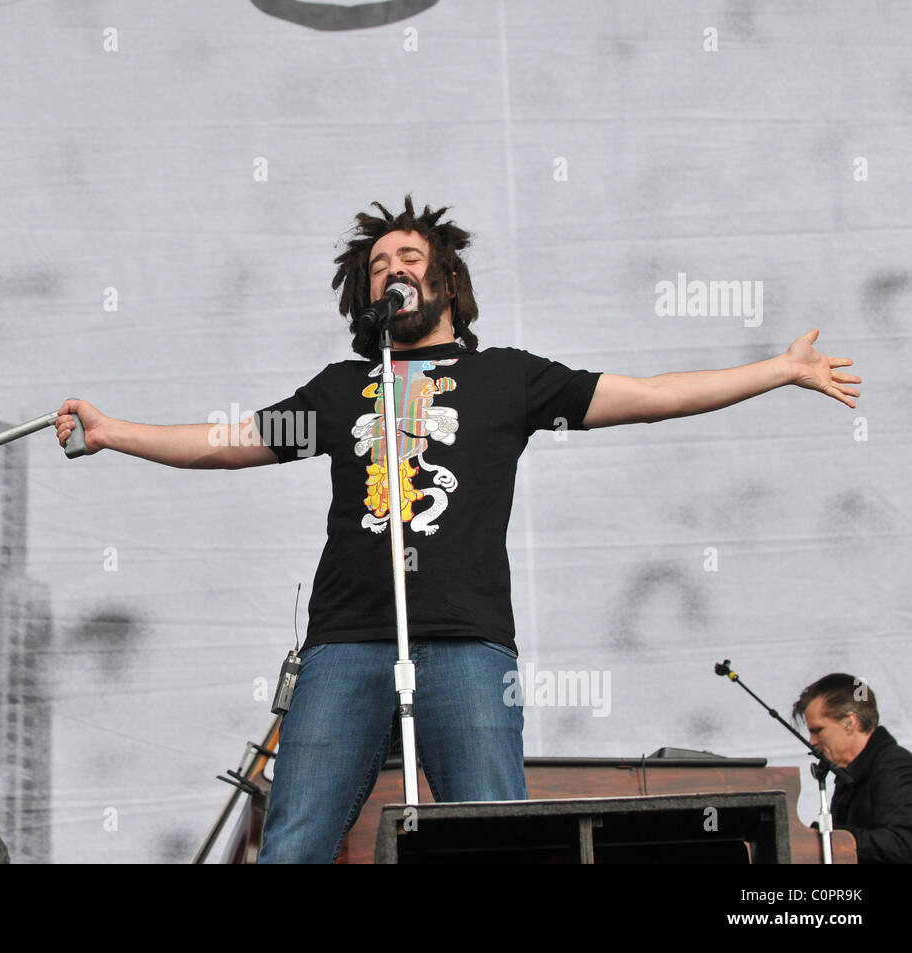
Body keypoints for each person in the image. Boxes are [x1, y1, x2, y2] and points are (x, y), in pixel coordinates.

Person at [53, 196, 863, 863]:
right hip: (345, 641)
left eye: (409, 259)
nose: (394, 271)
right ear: (364, 296)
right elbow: (223, 443)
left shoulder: (506, 377)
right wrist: (114, 428)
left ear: (444, 278)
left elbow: (650, 392)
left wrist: (778, 370)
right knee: (294, 840)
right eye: (379, 266)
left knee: (493, 841)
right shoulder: (342, 390)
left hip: (467, 644)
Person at [793, 673, 912, 864]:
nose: (812, 741)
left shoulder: (894, 765)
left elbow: (903, 844)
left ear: (850, 722)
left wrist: (832, 838)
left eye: (817, 730)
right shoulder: (849, 771)